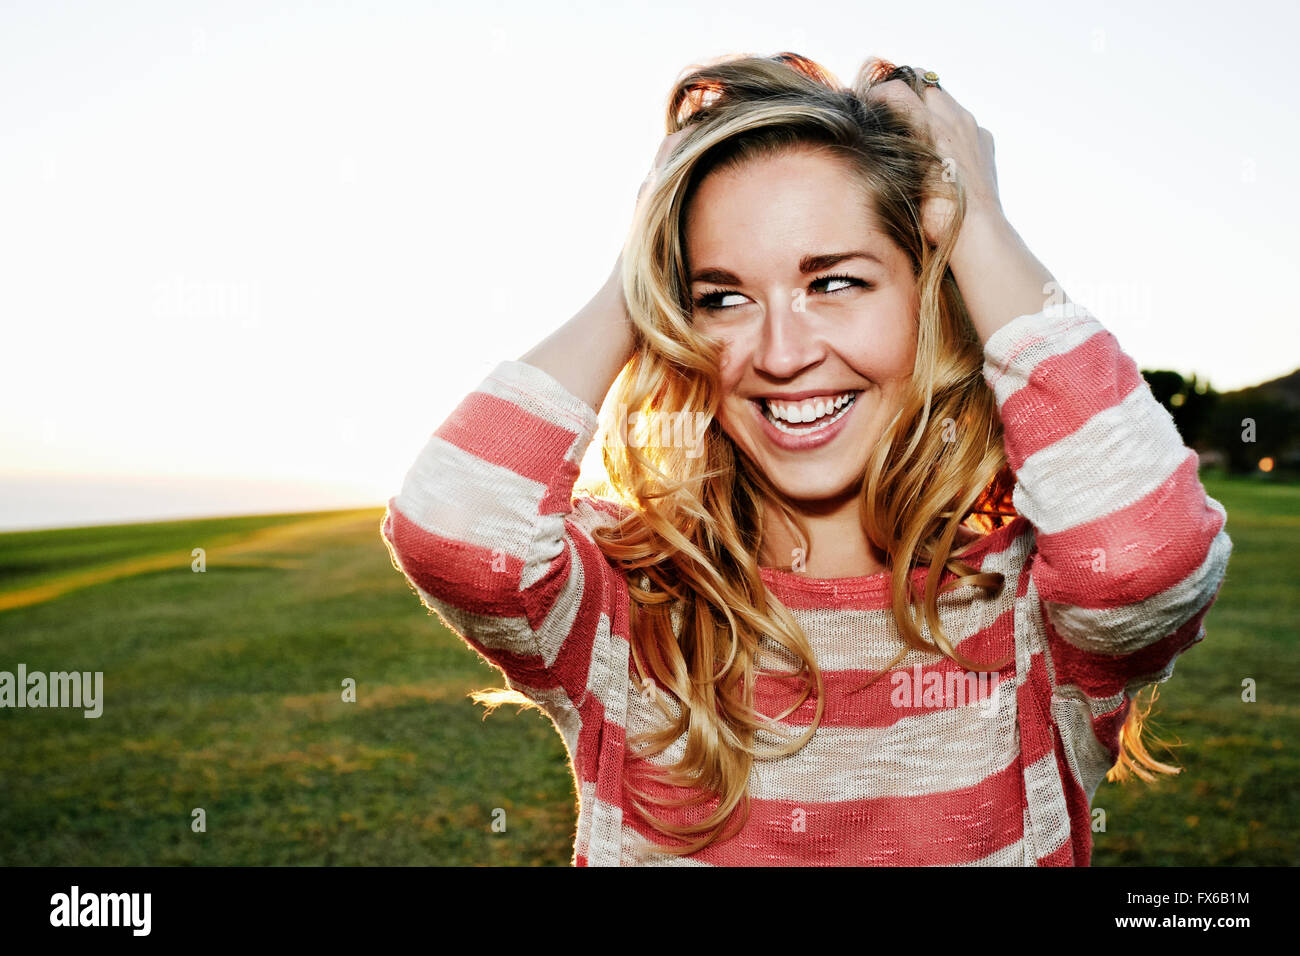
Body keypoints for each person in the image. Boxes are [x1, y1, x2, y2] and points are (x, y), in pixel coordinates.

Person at [380, 52, 1232, 866]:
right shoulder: (630, 614)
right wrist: (636, 269)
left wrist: (974, 218)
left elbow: (1141, 559)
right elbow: (457, 534)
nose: (782, 353)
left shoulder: (1030, 620)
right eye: (721, 296)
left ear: (934, 297)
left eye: (835, 282)